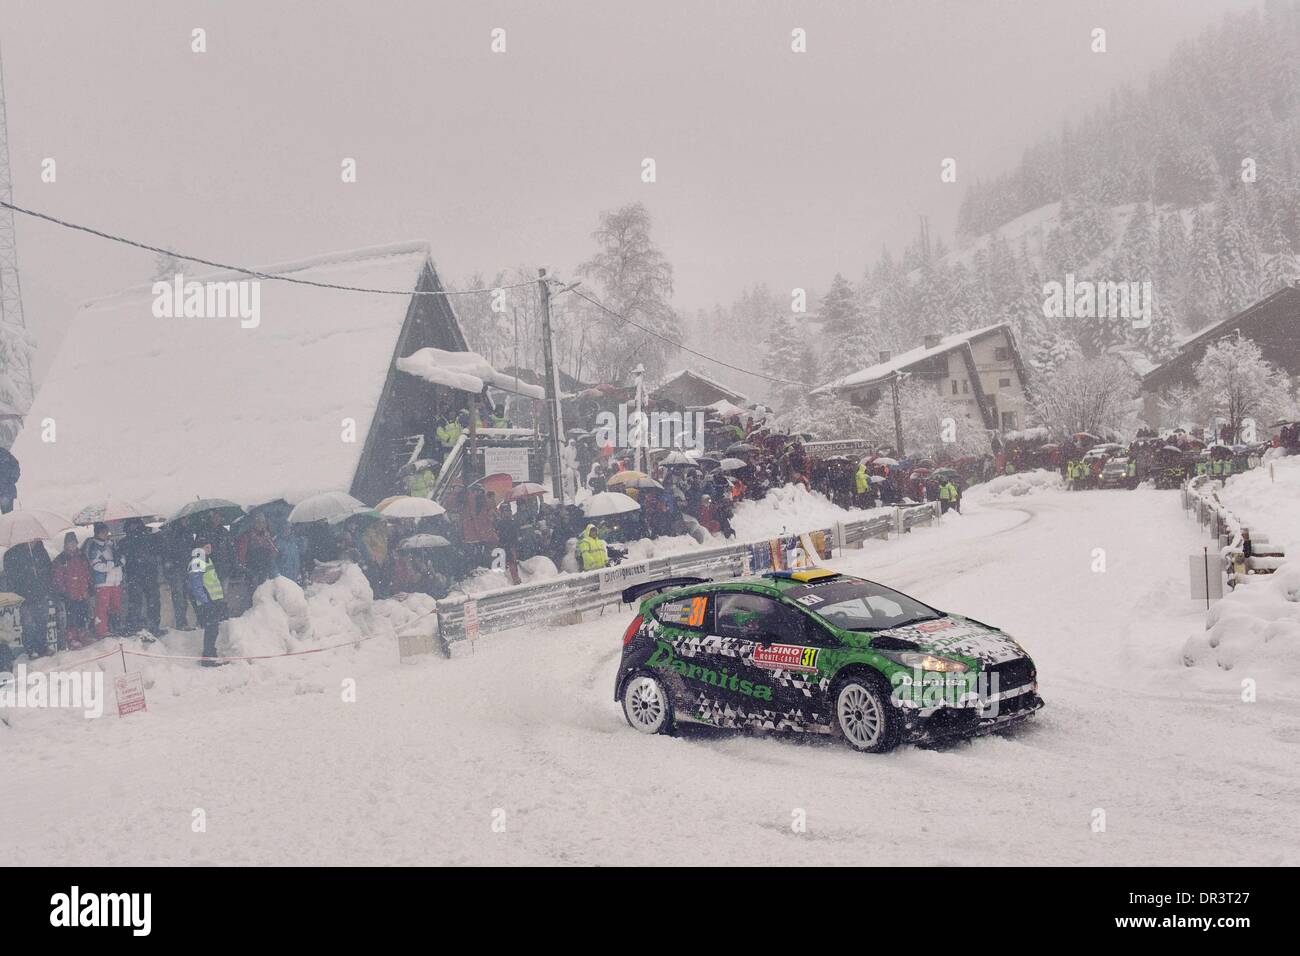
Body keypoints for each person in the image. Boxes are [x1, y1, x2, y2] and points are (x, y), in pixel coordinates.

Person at [4, 537, 54, 657]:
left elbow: (48, 567)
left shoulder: (40, 549)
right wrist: (26, 573)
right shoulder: (13, 552)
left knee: (42, 621)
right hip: (24, 595)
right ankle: (31, 649)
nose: (34, 541)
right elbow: (11, 575)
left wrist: (40, 572)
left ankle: (42, 647)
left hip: (40, 592)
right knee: (28, 624)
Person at [120, 518, 163, 639]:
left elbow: (160, 548)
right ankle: (146, 626)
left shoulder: (127, 541)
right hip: (143, 574)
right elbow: (160, 549)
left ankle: (138, 626)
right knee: (147, 602)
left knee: (141, 602)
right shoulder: (148, 538)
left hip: (139, 574)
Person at [187, 542, 228, 666]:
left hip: (214, 600)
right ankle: (208, 657)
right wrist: (205, 601)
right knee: (211, 629)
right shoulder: (198, 561)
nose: (209, 548)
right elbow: (196, 585)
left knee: (213, 629)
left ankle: (211, 654)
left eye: (210, 546)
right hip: (207, 602)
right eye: (205, 546)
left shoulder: (206, 560)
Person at [83, 522, 124, 638]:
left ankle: (115, 626)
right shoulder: (94, 546)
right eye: (103, 532)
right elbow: (96, 565)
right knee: (102, 607)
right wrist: (112, 564)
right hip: (103, 582)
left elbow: (121, 558)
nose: (106, 534)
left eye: (107, 532)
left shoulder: (111, 544)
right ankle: (102, 630)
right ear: (97, 533)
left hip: (116, 580)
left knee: (115, 605)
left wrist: (120, 561)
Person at [52, 532, 93, 648]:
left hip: (82, 593)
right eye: (70, 542)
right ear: (65, 544)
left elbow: (87, 572)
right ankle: (71, 639)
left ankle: (82, 636)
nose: (72, 545)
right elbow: (58, 578)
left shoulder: (82, 556)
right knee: (71, 619)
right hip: (69, 595)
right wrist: (63, 592)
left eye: (74, 542)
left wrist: (89, 587)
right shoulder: (61, 559)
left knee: (83, 615)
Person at [162, 522, 196, 631]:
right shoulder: (172, 534)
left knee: (183, 596)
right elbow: (168, 552)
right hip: (177, 568)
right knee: (180, 596)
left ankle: (182, 622)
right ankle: (181, 622)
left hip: (182, 567)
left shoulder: (182, 533)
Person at [236, 512, 279, 590]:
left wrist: (268, 540)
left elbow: (274, 552)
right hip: (252, 570)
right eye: (258, 522)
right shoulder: (247, 536)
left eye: (263, 522)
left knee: (263, 593)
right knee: (254, 592)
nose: (260, 524)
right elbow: (241, 553)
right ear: (254, 523)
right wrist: (243, 567)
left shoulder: (266, 536)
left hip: (265, 570)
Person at [0, 445, 18, 513]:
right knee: (8, 516)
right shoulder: (6, 454)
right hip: (7, 490)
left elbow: (15, 468)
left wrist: (11, 480)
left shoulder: (5, 454)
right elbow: (16, 468)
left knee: (7, 515)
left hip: (6, 491)